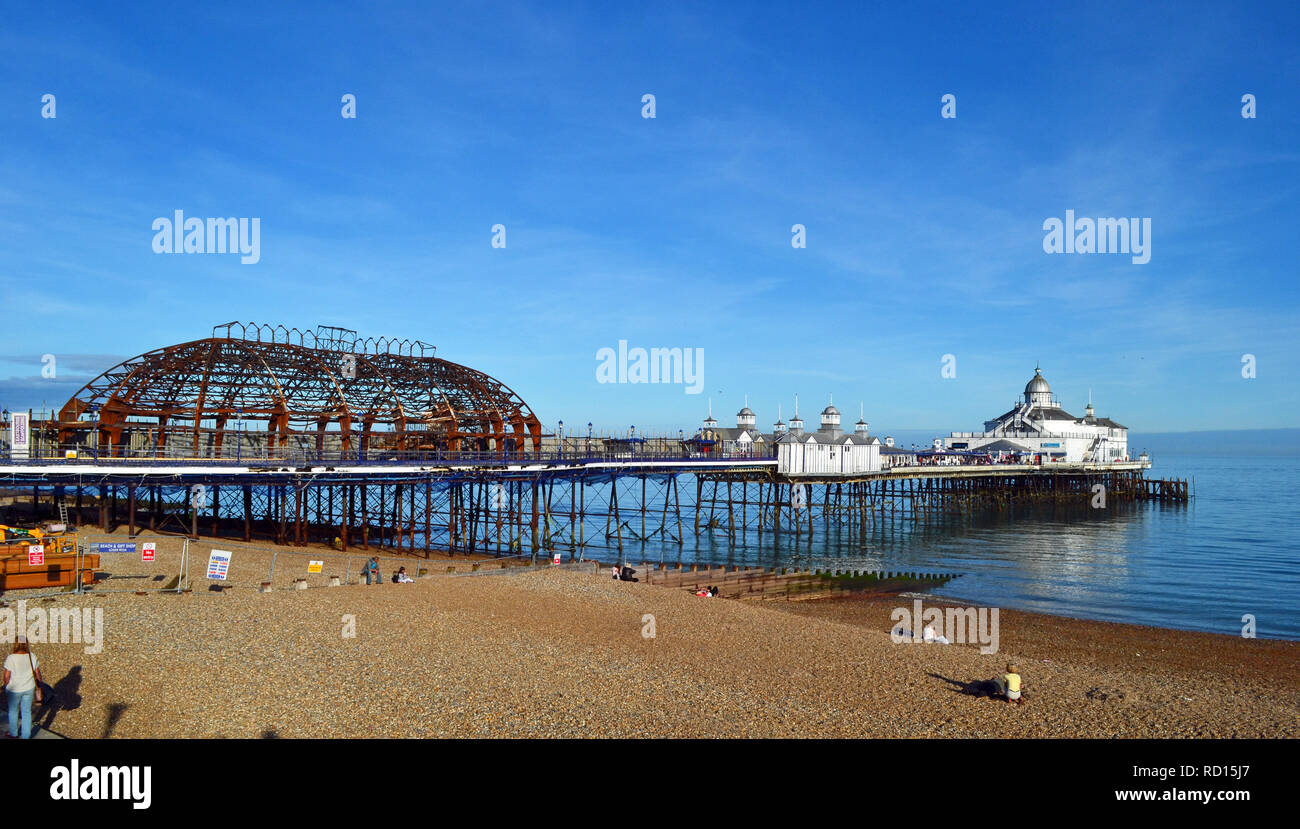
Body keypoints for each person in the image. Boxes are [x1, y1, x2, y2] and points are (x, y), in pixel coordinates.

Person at [4, 638, 42, 739]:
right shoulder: (31, 656)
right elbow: (38, 673)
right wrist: (40, 684)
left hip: (14, 689)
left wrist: (5, 685)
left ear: (16, 644)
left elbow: (7, 676)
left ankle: (14, 733)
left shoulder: (11, 658)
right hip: (29, 688)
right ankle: (26, 736)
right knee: (26, 712)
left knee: (13, 711)